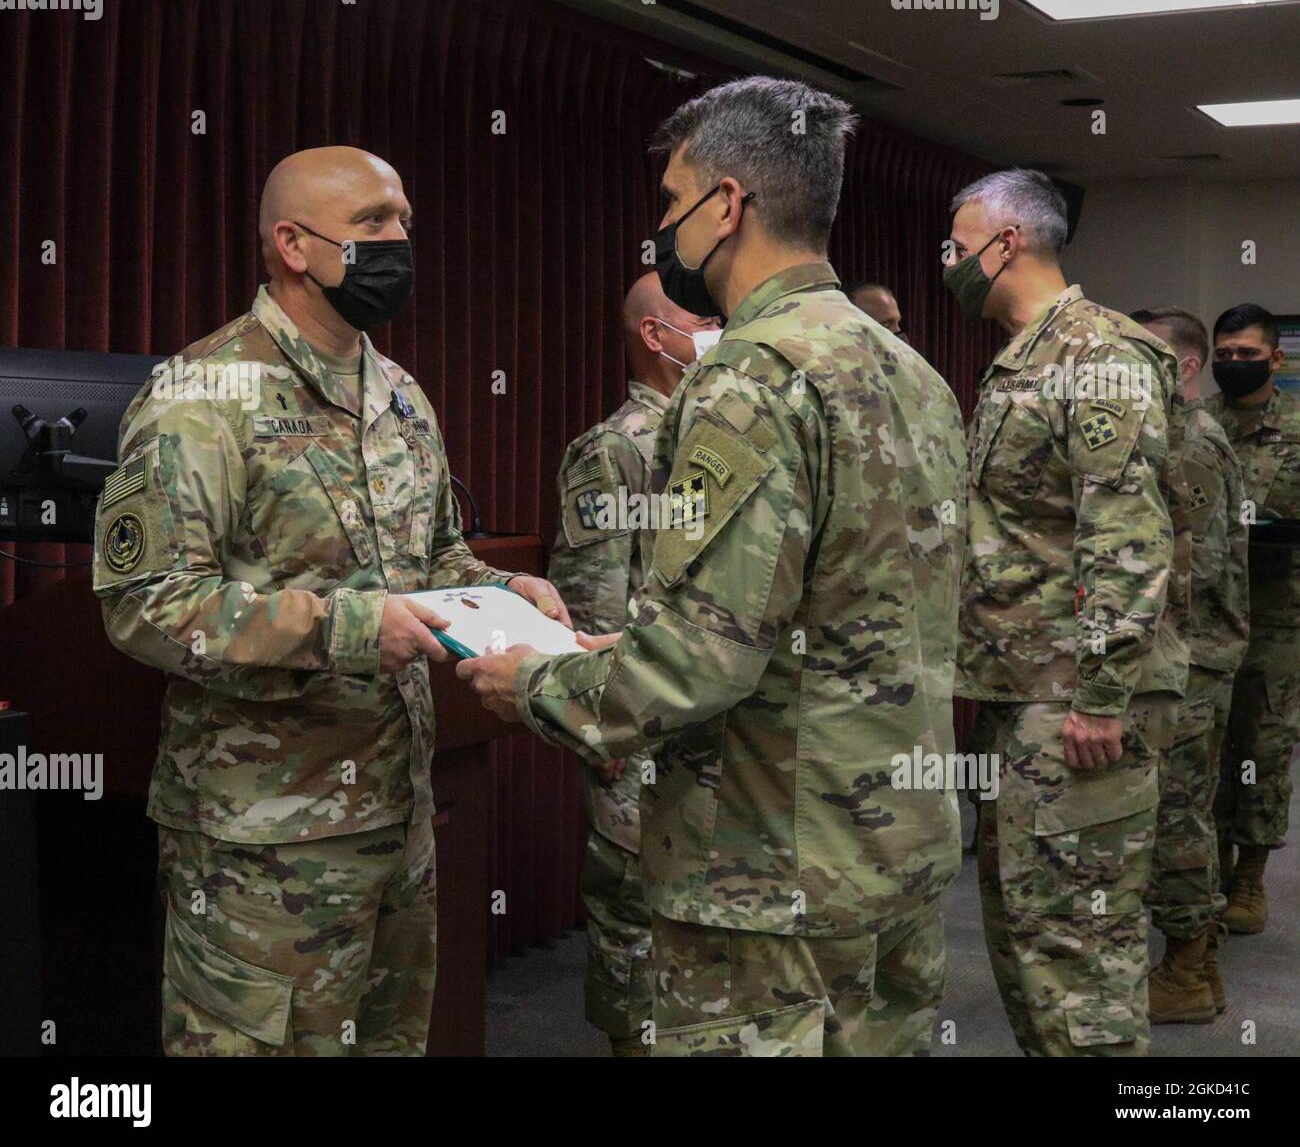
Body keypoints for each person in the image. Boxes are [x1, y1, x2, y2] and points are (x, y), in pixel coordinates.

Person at [458, 75, 967, 1058]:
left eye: (669, 202)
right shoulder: (910, 372)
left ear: (724, 203)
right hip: (891, 845)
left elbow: (700, 661)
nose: (663, 228)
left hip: (765, 870)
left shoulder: (751, 374)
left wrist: (537, 683)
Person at [93, 146, 566, 1056]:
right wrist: (355, 626)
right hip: (261, 843)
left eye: (405, 223)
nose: (400, 240)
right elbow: (146, 603)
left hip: (397, 816)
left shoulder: (399, 394)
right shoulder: (202, 395)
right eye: (374, 223)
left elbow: (432, 556)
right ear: (293, 245)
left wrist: (506, 592)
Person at [947, 168, 1185, 1056]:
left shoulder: (1099, 355)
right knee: (1026, 947)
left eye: (957, 243)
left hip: (1075, 708)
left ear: (1006, 242)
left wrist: (1102, 692)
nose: (952, 261)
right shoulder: (1023, 358)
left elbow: (1124, 534)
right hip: (1024, 694)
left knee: (1081, 961)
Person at [547, 272, 719, 1056]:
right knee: (637, 924)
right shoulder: (615, 448)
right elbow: (589, 606)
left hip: (714, 729)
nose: (720, 326)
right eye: (703, 317)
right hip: (639, 736)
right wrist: (604, 728)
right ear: (655, 336)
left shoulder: (718, 436)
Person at [1133, 306, 1249, 1022]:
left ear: (1183, 367)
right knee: (1183, 814)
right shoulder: (1178, 435)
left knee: (1178, 817)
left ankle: (1185, 969)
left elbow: (1193, 569)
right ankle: (1196, 964)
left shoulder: (1192, 442)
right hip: (1189, 657)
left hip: (1192, 662)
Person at [1208, 303, 1300, 935]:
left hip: (1276, 616)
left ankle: (1250, 876)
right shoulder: (1194, 424)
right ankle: (1207, 866)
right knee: (1206, 747)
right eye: (1225, 354)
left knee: (1262, 747)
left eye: (1248, 353)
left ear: (1277, 357)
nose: (1234, 364)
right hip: (1206, 614)